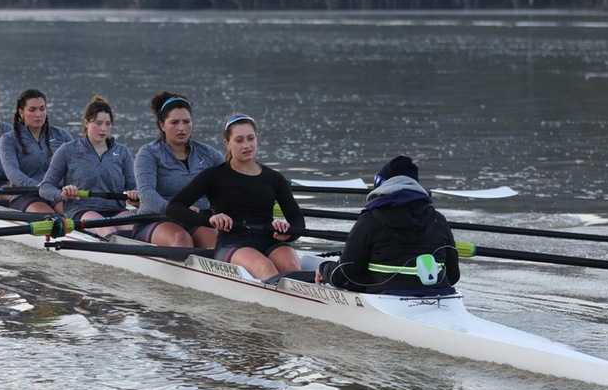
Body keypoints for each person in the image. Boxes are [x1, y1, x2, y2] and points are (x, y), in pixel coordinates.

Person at [165, 113, 304, 281]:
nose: (247, 145)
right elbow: (174, 207)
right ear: (227, 143)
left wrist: (288, 234)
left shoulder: (274, 178)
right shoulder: (214, 175)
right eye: (239, 140)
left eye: (250, 139)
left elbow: (297, 219)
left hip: (269, 239)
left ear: (256, 139)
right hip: (233, 242)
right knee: (264, 267)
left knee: (291, 268)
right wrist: (209, 220)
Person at [314, 155, 460, 295]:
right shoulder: (438, 219)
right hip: (440, 292)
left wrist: (324, 269)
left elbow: (343, 275)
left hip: (385, 297)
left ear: (381, 186)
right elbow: (453, 276)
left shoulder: (370, 220)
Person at [39, 94, 139, 237]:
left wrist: (135, 197)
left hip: (115, 209)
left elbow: (134, 186)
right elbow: (45, 188)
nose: (103, 129)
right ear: (86, 123)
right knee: (109, 231)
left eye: (108, 124)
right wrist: (62, 194)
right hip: (82, 210)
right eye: (98, 123)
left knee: (137, 229)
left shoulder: (122, 151)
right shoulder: (68, 150)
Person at [133, 91, 223, 248]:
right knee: (181, 239)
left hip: (197, 220)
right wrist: (177, 210)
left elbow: (230, 183)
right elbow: (146, 194)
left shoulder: (208, 153)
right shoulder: (149, 153)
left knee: (218, 243)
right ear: (162, 125)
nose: (181, 128)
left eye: (186, 121)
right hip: (156, 220)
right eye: (174, 122)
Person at [0, 88, 74, 214]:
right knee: (50, 216)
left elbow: (77, 164)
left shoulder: (61, 135)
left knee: (70, 215)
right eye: (32, 110)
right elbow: (12, 173)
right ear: (21, 112)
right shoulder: (9, 139)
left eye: (42, 109)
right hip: (25, 195)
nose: (38, 114)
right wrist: (38, 186)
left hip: (57, 192)